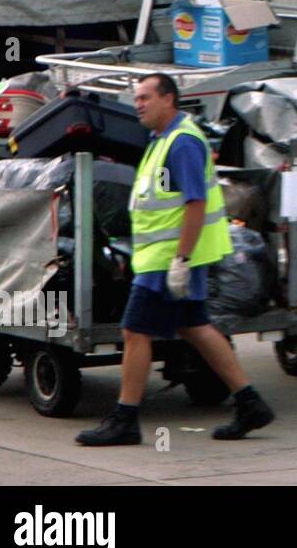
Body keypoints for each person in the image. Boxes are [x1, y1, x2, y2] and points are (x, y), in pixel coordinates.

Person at [75, 73, 274, 446]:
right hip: (167, 257)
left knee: (135, 331)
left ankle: (125, 418)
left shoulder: (181, 143)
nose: (138, 104)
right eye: (136, 98)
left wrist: (181, 259)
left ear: (169, 99)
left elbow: (194, 203)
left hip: (169, 259)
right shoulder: (162, 141)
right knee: (194, 325)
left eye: (146, 97)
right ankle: (250, 402)